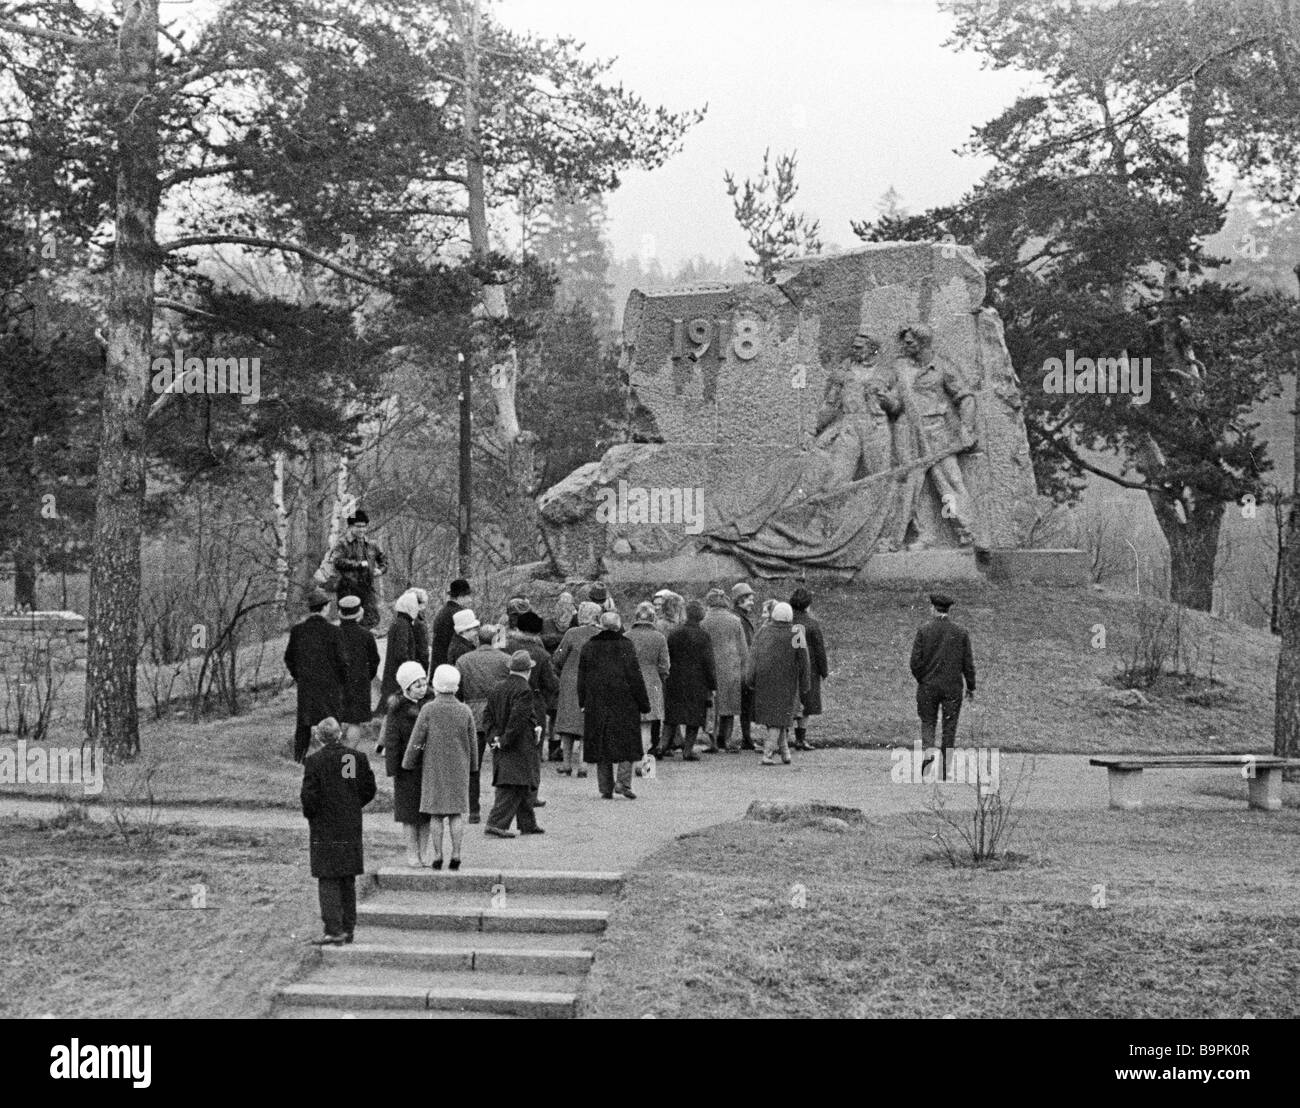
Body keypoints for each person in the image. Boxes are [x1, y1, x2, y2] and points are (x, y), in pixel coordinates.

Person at [894, 324, 979, 548]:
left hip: (937, 431)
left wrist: (966, 428)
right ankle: (925, 536)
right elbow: (896, 404)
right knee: (917, 487)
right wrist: (887, 401)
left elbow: (966, 397)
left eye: (910, 342)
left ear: (923, 343)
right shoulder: (902, 369)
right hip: (909, 433)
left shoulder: (942, 366)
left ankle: (967, 531)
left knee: (949, 482)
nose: (905, 346)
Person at [300, 716, 376, 945]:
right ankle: (348, 928)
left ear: (318, 738)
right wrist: (352, 806)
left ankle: (333, 929)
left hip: (324, 827)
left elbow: (309, 797)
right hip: (349, 824)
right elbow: (365, 789)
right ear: (340, 735)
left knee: (328, 878)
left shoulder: (314, 762)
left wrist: (313, 814)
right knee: (347, 877)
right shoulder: (352, 759)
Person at [403, 665, 477, 870]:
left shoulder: (428, 710)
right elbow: (472, 742)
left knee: (435, 814)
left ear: (435, 685)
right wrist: (473, 765)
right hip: (459, 767)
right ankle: (457, 854)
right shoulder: (465, 710)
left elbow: (418, 740)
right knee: (456, 813)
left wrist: (409, 760)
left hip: (434, 767)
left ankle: (437, 855)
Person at [578, 610, 650, 799]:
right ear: (618, 626)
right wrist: (643, 703)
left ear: (601, 625)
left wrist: (582, 700)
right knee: (627, 742)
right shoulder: (626, 645)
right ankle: (623, 783)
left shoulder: (589, 646)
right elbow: (635, 676)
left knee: (602, 744)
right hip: (624, 701)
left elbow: (582, 677)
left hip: (597, 702)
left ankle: (605, 787)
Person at [909, 592, 976, 779]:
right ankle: (945, 769)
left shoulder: (924, 630)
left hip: (928, 686)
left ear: (933, 608)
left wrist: (923, 678)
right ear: (948, 609)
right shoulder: (961, 632)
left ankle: (927, 761)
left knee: (928, 722)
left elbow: (915, 662)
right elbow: (967, 663)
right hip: (952, 687)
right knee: (949, 726)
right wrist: (970, 686)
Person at [481, 650, 545, 838]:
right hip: (518, 745)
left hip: (502, 743)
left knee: (521, 783)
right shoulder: (524, 690)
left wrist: (494, 738)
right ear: (528, 670)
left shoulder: (497, 687)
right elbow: (518, 720)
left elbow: (487, 717)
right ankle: (495, 824)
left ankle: (528, 823)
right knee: (512, 785)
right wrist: (505, 740)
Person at [284, 588, 348, 763]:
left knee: (304, 724)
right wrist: (340, 682)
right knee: (333, 722)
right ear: (326, 607)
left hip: (307, 686)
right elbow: (343, 662)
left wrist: (300, 677)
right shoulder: (335, 632)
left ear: (310, 608)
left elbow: (289, 658)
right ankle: (334, 758)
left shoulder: (298, 631)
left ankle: (299, 758)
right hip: (330, 687)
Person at [380, 661, 434, 866]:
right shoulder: (397, 709)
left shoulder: (430, 704)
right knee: (409, 815)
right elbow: (392, 740)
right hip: (406, 768)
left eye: (424, 683)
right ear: (407, 687)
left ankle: (424, 852)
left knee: (427, 812)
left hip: (427, 765)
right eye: (417, 685)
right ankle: (412, 853)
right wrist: (393, 768)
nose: (422, 688)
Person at [456, 625, 511, 825]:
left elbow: (459, 691)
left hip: (473, 715)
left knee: (473, 765)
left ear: (478, 639)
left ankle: (474, 810)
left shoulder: (463, 660)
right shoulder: (505, 660)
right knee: (501, 761)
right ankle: (500, 806)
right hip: (498, 715)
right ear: (495, 639)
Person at [745, 601, 810, 765]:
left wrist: (750, 678)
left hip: (764, 680)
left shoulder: (763, 631)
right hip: (787, 681)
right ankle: (768, 753)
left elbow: (753, 657)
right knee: (780, 717)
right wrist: (805, 683)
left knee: (776, 717)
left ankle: (785, 752)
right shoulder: (796, 632)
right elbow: (804, 661)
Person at [659, 599, 716, 761]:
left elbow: (668, 656)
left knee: (671, 718)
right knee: (694, 718)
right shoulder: (704, 636)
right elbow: (708, 663)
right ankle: (688, 750)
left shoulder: (675, 633)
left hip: (676, 679)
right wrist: (712, 684)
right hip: (697, 682)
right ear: (701, 617)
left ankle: (662, 746)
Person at [508, 611, 560, 783]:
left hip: (509, 700)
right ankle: (531, 791)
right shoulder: (542, 654)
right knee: (534, 749)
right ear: (537, 631)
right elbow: (551, 684)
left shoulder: (505, 647)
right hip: (534, 702)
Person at [552, 600, 602, 777]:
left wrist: (562, 670)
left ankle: (566, 763)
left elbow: (558, 658)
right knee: (587, 724)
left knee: (567, 724)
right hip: (594, 683)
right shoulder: (602, 635)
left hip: (570, 681)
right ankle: (583, 764)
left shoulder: (571, 633)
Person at [317, 510, 387, 629]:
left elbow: (384, 560)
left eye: (364, 526)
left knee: (372, 618)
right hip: (347, 588)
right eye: (358, 526)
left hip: (366, 587)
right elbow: (337, 561)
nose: (362, 530)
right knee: (349, 620)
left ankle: (362, 639)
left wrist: (380, 570)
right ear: (350, 527)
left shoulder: (371, 544)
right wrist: (358, 564)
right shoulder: (342, 543)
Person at [701, 587, 749, 753]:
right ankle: (725, 740)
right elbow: (743, 649)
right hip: (731, 667)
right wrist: (745, 668)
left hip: (710, 668)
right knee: (729, 705)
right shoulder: (734, 620)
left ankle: (712, 741)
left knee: (712, 707)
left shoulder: (704, 621)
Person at [627, 601, 670, 765]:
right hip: (652, 681)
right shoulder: (659, 637)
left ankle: (632, 761)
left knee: (632, 723)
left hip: (630, 681)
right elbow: (664, 666)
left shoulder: (627, 636)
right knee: (646, 724)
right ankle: (645, 764)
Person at [336, 595, 380, 749]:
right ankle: (347, 761)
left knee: (336, 720)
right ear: (359, 613)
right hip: (359, 684)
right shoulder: (366, 635)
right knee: (355, 722)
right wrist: (366, 677)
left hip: (336, 684)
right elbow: (375, 661)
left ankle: (334, 756)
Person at [789, 586, 828, 751]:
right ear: (807, 606)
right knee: (806, 705)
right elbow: (820, 650)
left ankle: (784, 738)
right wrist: (824, 670)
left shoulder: (787, 623)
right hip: (809, 669)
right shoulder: (812, 625)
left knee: (791, 703)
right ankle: (801, 738)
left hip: (790, 668)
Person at [376, 589, 423, 710]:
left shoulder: (398, 622)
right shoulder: (403, 625)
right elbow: (401, 652)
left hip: (393, 675)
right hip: (398, 677)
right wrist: (411, 670)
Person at [730, 582, 758, 751]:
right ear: (739, 600)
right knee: (745, 705)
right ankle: (746, 738)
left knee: (744, 705)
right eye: (748, 599)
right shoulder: (739, 619)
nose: (751, 602)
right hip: (742, 668)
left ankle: (746, 737)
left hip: (742, 667)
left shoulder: (742, 617)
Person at [431, 578, 473, 668]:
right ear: (460, 596)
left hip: (439, 665)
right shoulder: (459, 614)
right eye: (468, 596)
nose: (470, 600)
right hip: (451, 666)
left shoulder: (443, 611)